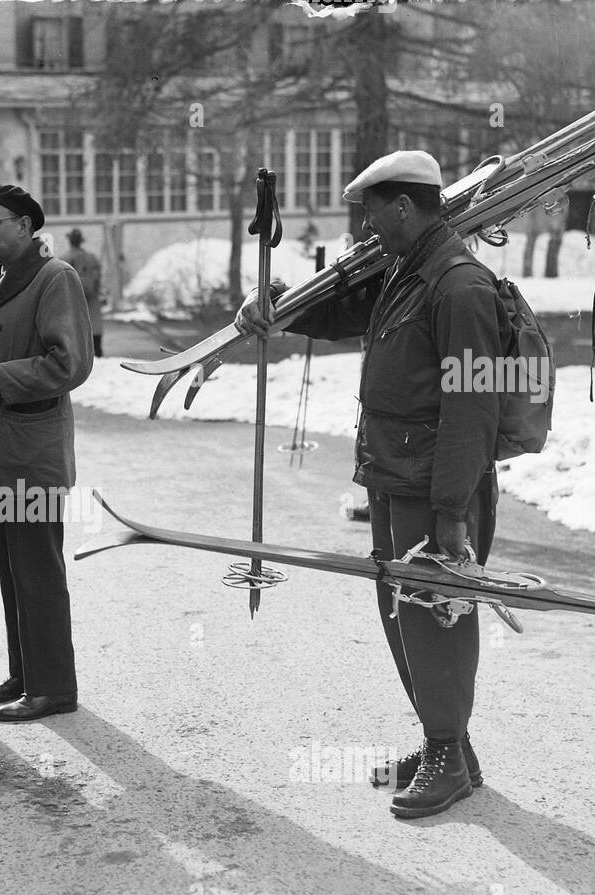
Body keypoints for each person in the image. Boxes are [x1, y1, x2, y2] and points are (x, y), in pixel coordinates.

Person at [237, 150, 505, 819]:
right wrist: (274, 305)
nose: (365, 229)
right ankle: (450, 745)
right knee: (403, 616)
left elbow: (474, 408)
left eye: (372, 215)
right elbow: (339, 312)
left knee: (435, 615)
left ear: (406, 208)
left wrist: (451, 511)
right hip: (393, 473)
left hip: (436, 487)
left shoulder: (459, 286)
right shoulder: (405, 272)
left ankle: (447, 750)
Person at [0, 185, 93, 722]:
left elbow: (70, 365)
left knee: (37, 569)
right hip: (5, 453)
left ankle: (53, 686)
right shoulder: (6, 276)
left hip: (32, 458)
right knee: (11, 566)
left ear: (26, 226)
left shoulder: (56, 277)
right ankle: (25, 672)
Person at [61, 228, 104, 357]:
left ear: (70, 241)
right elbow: (98, 281)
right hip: (92, 304)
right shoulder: (92, 258)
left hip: (73, 303)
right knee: (94, 332)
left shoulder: (64, 259)